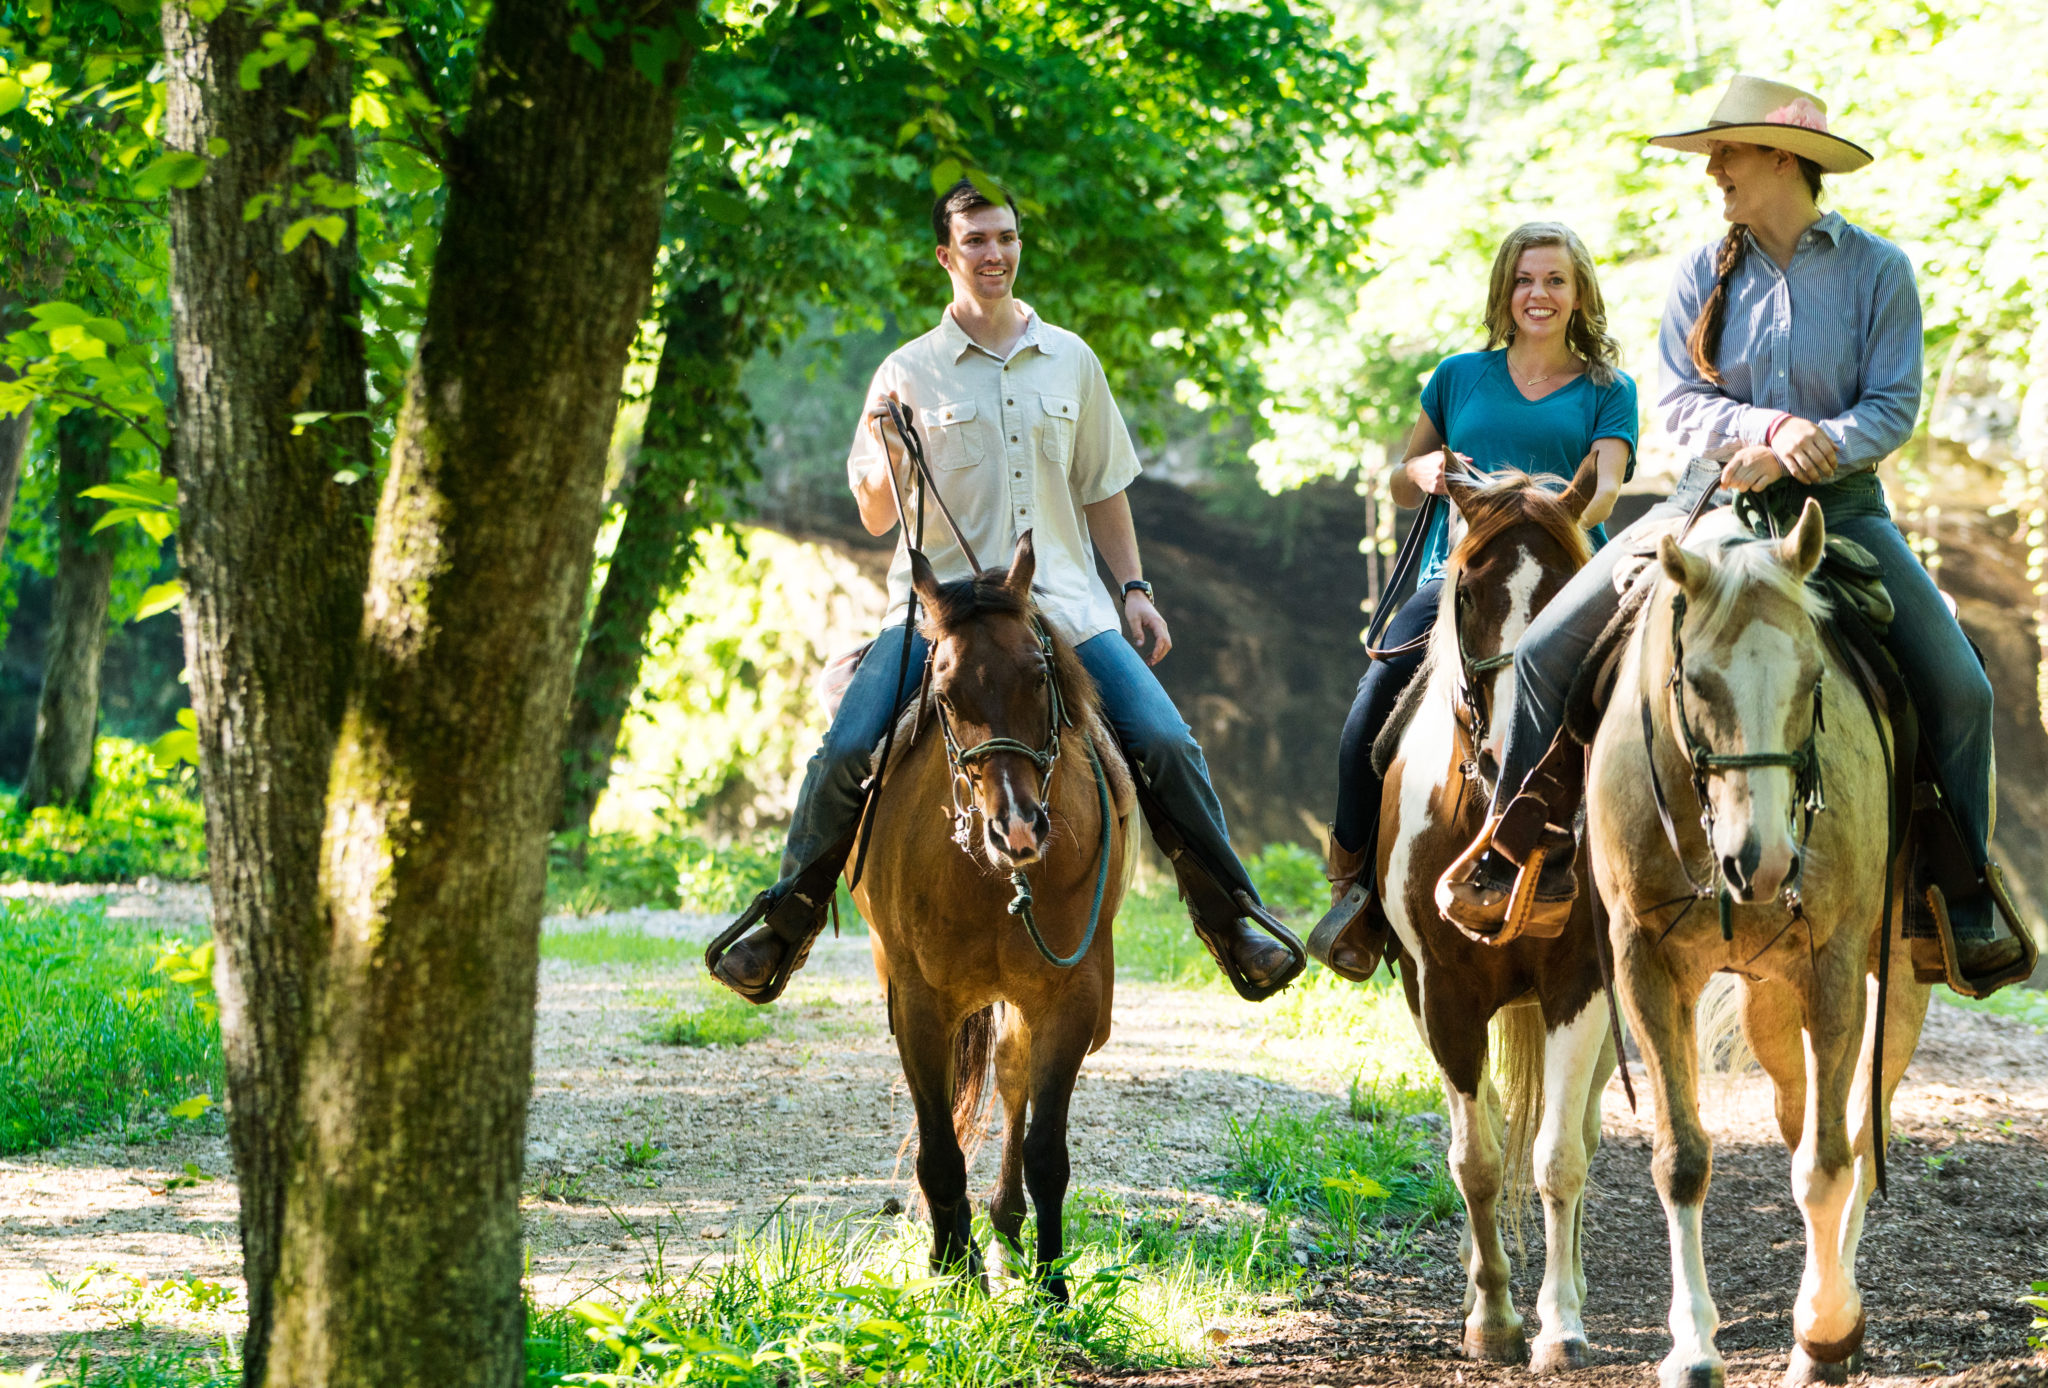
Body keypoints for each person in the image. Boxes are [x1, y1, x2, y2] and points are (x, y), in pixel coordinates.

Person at [1436, 76, 2031, 991]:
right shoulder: (1696, 273)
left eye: (1728, 151)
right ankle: (1529, 853)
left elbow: (1894, 404)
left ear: (1782, 160)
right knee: (1551, 646)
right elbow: (1677, 403)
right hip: (1705, 512)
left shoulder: (1879, 272)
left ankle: (1954, 894)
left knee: (1963, 689)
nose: (1713, 168)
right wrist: (1764, 434)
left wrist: (1812, 449)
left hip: (1846, 518)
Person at [706, 178, 1304, 1005]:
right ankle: (787, 921)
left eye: (1007, 239)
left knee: (1166, 744)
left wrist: (1132, 587)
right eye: (978, 241)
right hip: (939, 616)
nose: (996, 254)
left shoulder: (1073, 359)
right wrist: (886, 448)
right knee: (847, 752)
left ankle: (1233, 919)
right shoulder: (904, 372)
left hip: (1066, 608)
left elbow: (1103, 487)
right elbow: (878, 515)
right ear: (947, 256)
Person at [1308, 223, 1637, 978]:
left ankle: (1655, 877)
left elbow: (1609, 484)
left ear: (1579, 291)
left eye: (1555, 280)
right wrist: (1424, 472)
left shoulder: (1608, 390)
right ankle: (1354, 889)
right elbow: (1404, 472)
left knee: (1650, 705)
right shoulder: (1459, 375)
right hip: (1459, 577)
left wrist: (1538, 521)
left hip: (1572, 581)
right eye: (1525, 281)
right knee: (1370, 708)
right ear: (1505, 291)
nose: (1539, 295)